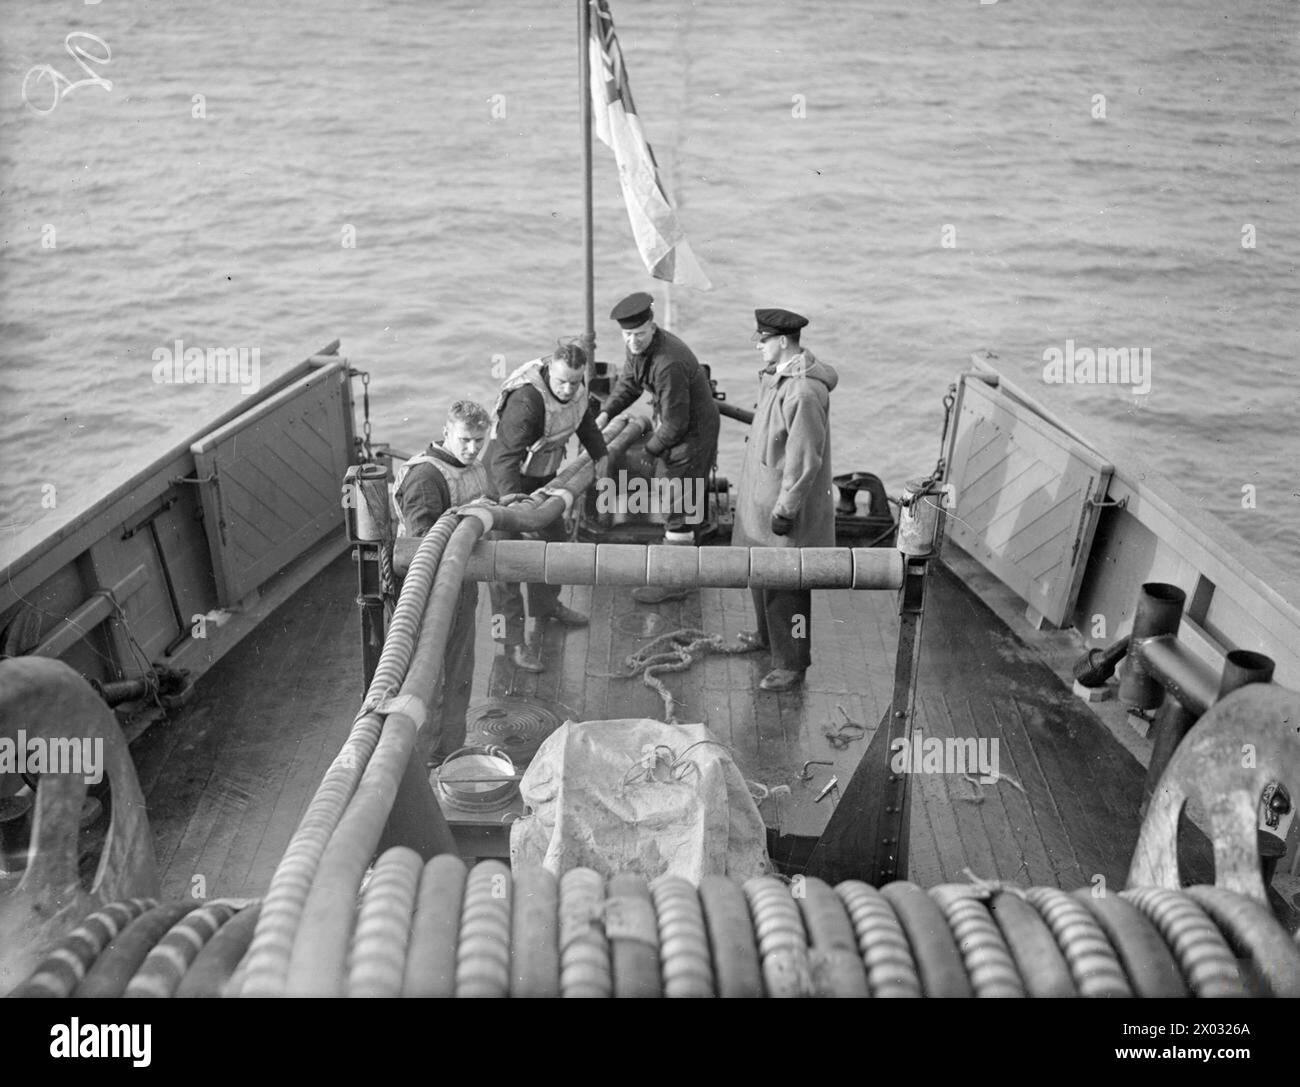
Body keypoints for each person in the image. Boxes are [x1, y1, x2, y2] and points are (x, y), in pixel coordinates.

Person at [484, 341, 608, 672]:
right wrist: (513, 510)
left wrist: (602, 455)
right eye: (561, 381)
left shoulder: (576, 389)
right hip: (505, 484)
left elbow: (583, 421)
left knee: (555, 541)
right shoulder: (527, 401)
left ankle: (546, 604)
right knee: (505, 564)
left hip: (542, 477)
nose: (568, 389)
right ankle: (511, 643)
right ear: (550, 371)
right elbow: (504, 460)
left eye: (574, 381)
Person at [732, 308, 839, 692]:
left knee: (788, 588)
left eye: (763, 340)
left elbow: (805, 460)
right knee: (762, 577)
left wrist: (786, 509)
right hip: (761, 503)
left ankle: (792, 663)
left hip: (783, 511)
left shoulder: (804, 392)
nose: (759, 346)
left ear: (782, 341)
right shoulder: (779, 379)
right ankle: (765, 638)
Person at [597, 291, 721, 603]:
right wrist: (605, 413)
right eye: (627, 335)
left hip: (691, 435)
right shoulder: (639, 349)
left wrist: (648, 452)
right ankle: (684, 571)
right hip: (679, 427)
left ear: (652, 327)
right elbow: (629, 382)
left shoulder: (668, 363)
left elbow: (676, 424)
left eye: (639, 334)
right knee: (677, 498)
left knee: (675, 504)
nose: (633, 342)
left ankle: (676, 582)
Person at [393, 400, 492, 763]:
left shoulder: (474, 468)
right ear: (446, 433)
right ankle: (425, 756)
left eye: (479, 441)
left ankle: (450, 748)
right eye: (464, 440)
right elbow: (423, 543)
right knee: (429, 675)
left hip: (463, 582)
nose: (472, 449)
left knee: (461, 668)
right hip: (428, 590)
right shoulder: (426, 478)